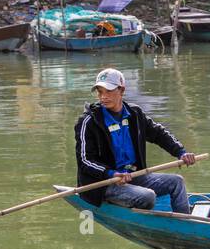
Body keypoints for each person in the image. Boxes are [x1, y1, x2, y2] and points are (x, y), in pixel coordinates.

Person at [74, 68, 198, 212]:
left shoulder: (135, 114)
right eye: (100, 92)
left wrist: (181, 152)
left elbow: (158, 133)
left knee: (177, 182)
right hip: (104, 183)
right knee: (148, 196)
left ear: (121, 90)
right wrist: (111, 173)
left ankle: (184, 223)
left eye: (108, 91)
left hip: (134, 175)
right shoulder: (88, 122)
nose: (103, 97)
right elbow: (85, 160)